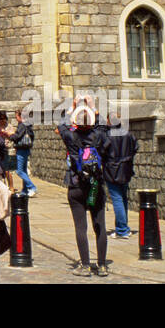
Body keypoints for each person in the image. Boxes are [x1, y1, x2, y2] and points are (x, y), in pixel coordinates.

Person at [57, 101, 109, 277]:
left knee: (81, 227)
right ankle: (102, 266)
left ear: (75, 121)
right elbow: (103, 124)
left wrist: (72, 107)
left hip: (77, 185)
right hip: (95, 186)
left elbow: (61, 123)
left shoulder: (70, 137)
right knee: (99, 225)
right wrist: (94, 107)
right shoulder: (99, 135)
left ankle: (86, 266)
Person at [103, 113, 138, 239]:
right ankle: (122, 227)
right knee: (123, 198)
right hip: (126, 169)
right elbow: (135, 147)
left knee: (117, 199)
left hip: (112, 170)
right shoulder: (128, 134)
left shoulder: (107, 136)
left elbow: (102, 151)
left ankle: (122, 229)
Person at [12, 104, 38, 196]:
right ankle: (25, 190)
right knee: (24, 170)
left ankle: (32, 187)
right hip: (26, 149)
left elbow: (17, 136)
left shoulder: (22, 125)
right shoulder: (28, 125)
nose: (16, 119)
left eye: (16, 117)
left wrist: (9, 135)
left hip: (21, 149)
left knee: (19, 171)